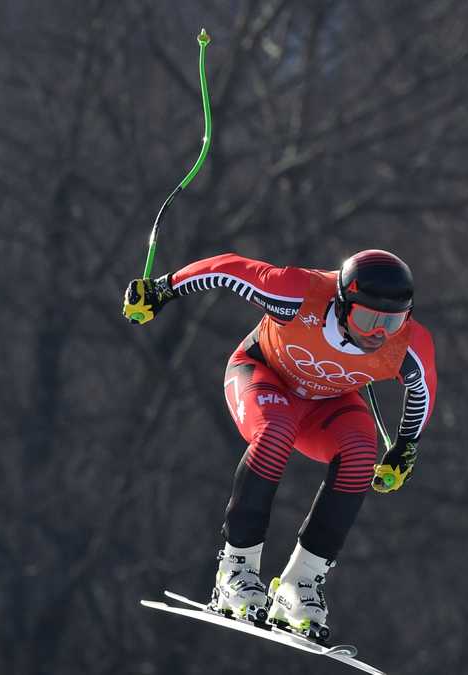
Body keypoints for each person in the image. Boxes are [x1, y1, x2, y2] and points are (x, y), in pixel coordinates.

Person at [122, 249, 437, 642]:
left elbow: (422, 391)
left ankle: (300, 585)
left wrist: (405, 447)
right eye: (368, 319)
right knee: (275, 433)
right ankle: (235, 571)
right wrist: (160, 290)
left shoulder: (407, 344)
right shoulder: (297, 292)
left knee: (359, 453)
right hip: (262, 375)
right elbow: (227, 270)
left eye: (392, 322)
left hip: (328, 401)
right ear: (342, 304)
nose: (378, 333)